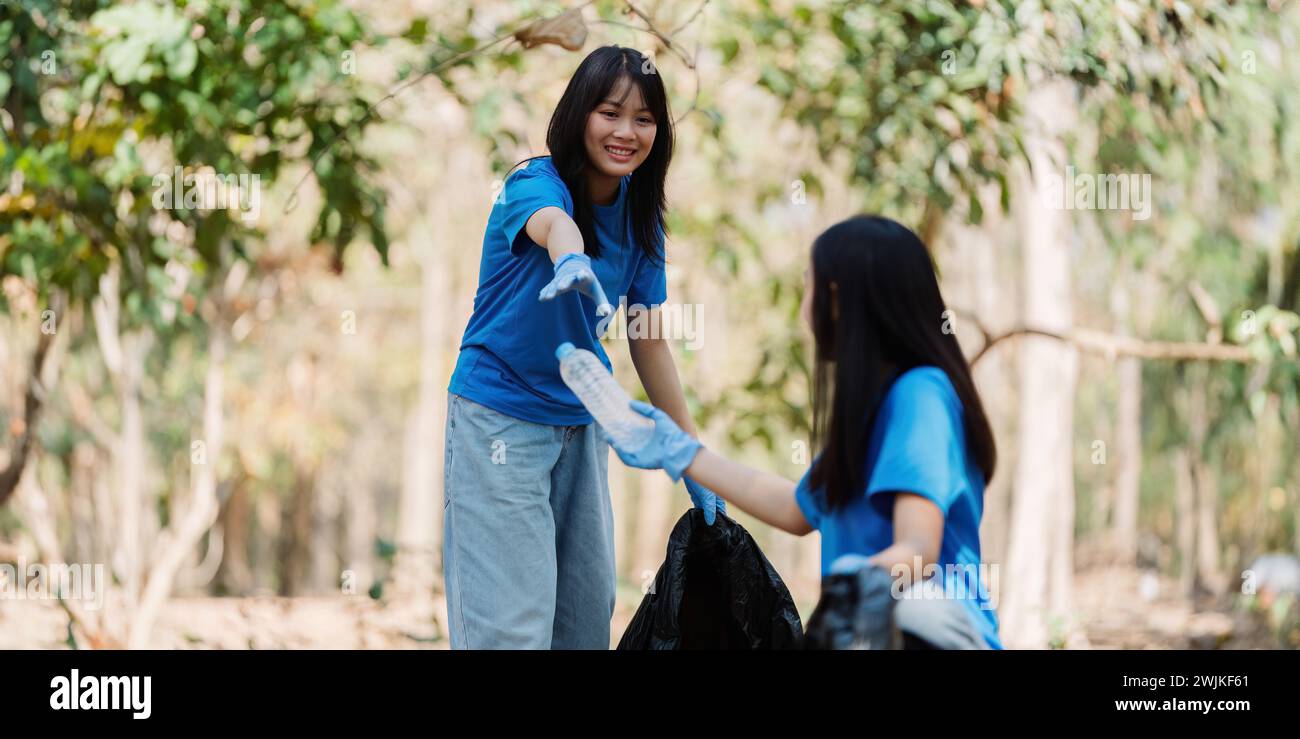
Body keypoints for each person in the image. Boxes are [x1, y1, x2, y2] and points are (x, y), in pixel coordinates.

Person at [609, 215, 1003, 649]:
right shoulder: (871, 413)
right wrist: (686, 455)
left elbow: (918, 549)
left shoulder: (920, 395)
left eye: (810, 284)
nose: (805, 304)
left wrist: (850, 592)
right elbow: (796, 509)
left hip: (926, 632)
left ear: (837, 299)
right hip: (869, 628)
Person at [442, 46, 722, 650]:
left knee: (582, 628)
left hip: (582, 426)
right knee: (510, 632)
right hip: (500, 421)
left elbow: (649, 345)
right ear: (578, 115)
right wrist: (568, 254)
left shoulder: (644, 221)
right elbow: (551, 222)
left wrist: (693, 462)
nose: (626, 132)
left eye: (644, 119)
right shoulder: (534, 182)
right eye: (609, 112)